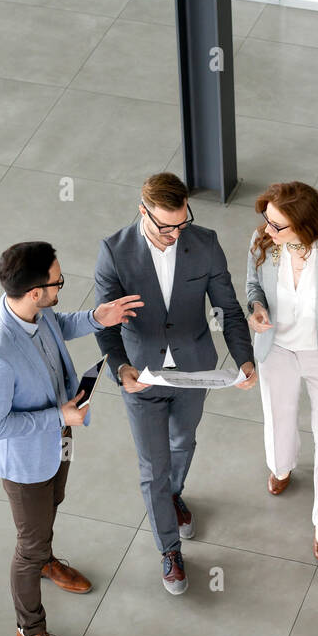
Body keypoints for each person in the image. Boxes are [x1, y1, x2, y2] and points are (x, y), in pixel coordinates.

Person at [0, 242, 142, 636]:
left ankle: (48, 558)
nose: (61, 287)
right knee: (27, 548)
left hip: (58, 440)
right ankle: (30, 631)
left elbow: (57, 323)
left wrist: (95, 318)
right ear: (34, 291)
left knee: (55, 503)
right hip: (27, 462)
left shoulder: (31, 308)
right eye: (57, 282)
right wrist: (58, 416)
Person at [94, 172, 256, 595]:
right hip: (142, 377)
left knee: (184, 441)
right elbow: (106, 324)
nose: (174, 233)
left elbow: (229, 308)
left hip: (194, 369)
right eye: (165, 226)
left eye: (181, 223)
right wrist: (120, 367)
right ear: (142, 210)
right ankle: (169, 550)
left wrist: (244, 358)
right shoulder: (114, 252)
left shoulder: (204, 243)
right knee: (153, 467)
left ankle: (173, 496)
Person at [246, 182, 318, 561]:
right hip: (277, 349)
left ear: (303, 226)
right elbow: (252, 287)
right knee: (278, 417)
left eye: (277, 225)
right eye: (267, 220)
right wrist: (257, 309)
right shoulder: (263, 243)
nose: (267, 230)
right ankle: (281, 467)